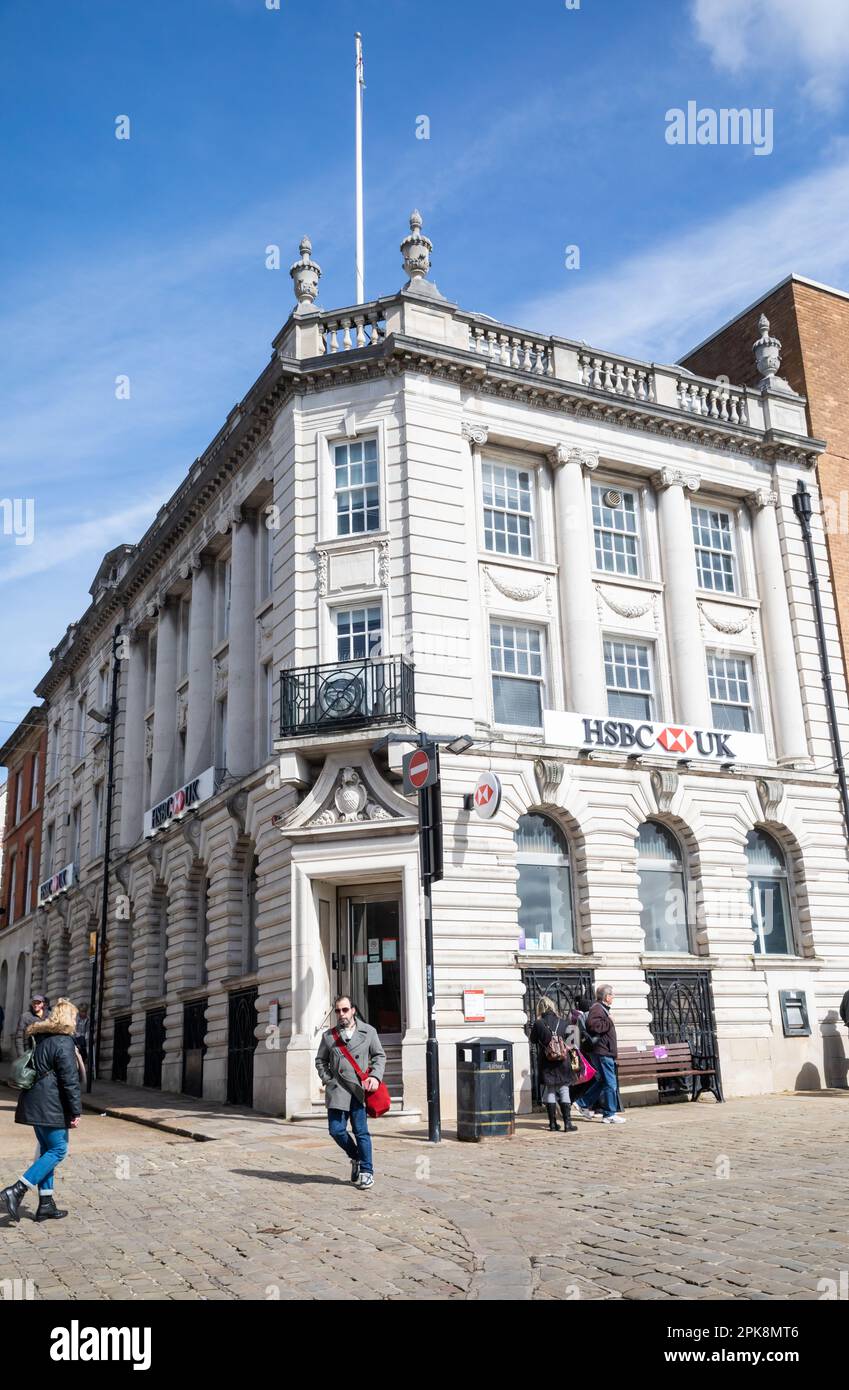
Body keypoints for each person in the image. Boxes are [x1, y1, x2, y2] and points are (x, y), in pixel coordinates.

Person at [1, 997, 82, 1222]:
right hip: (51, 1105)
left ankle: (46, 1203)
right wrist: (76, 1111)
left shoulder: (43, 1039)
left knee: (48, 1151)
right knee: (58, 1150)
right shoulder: (64, 1043)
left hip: (36, 1102)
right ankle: (16, 1189)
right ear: (67, 1018)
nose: (76, 1020)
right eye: (74, 1016)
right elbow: (69, 1081)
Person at [315, 995, 386, 1191]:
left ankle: (367, 1172)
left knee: (361, 1132)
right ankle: (355, 1156)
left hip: (359, 1090)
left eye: (345, 1010)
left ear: (353, 1010)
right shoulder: (329, 1036)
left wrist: (375, 1077)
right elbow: (320, 1060)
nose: (341, 1014)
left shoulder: (368, 1031)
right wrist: (328, 1080)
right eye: (338, 1011)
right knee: (335, 1130)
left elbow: (379, 1056)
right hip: (338, 1090)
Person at [574, 983, 625, 1125]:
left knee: (602, 1080)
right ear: (607, 996)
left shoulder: (600, 1008)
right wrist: (609, 1021)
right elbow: (593, 1025)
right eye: (612, 995)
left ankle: (583, 1103)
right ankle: (609, 1114)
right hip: (603, 1051)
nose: (613, 997)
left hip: (603, 1050)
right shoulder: (597, 1008)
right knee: (610, 1082)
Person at [529, 995, 579, 1133]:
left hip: (546, 1061)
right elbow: (572, 1042)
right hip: (563, 1061)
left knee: (550, 1090)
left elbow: (533, 1040)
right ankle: (568, 1124)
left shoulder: (538, 1024)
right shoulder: (563, 1022)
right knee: (564, 1089)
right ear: (553, 1007)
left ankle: (552, 1124)